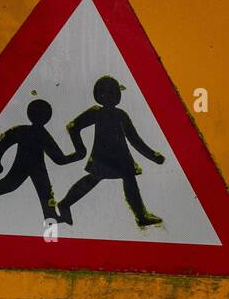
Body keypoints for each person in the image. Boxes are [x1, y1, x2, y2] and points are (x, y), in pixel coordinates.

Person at [56, 75, 166, 227]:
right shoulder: (96, 112)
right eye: (104, 93)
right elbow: (73, 126)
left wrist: (153, 155)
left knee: (126, 180)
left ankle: (141, 216)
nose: (109, 96)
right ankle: (65, 204)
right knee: (96, 179)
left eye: (113, 93)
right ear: (98, 95)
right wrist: (80, 149)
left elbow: (134, 139)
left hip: (121, 157)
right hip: (104, 156)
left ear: (118, 95)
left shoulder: (121, 115)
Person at [0, 98, 75, 221]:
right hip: (29, 166)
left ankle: (50, 215)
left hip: (32, 166)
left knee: (41, 189)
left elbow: (2, 142)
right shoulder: (40, 133)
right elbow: (59, 159)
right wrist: (76, 156)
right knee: (18, 186)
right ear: (47, 117)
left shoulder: (22, 130)